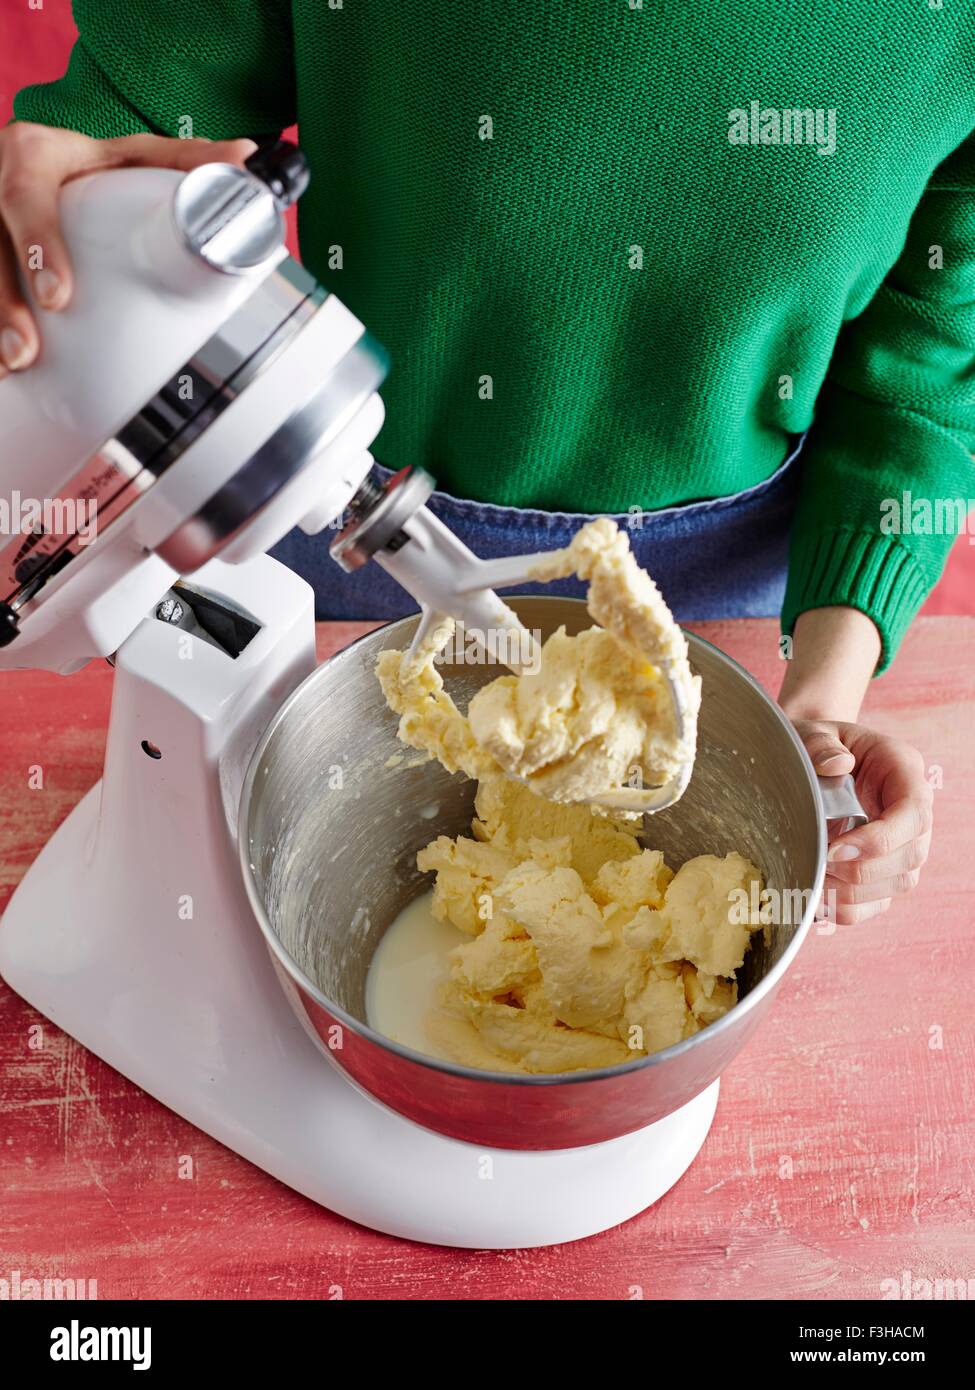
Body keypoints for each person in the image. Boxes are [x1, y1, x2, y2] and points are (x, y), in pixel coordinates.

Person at [1, 3, 954, 925]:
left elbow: (921, 386)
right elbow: (147, 111)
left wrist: (821, 708)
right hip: (324, 527)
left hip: (735, 595)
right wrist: (65, 190)